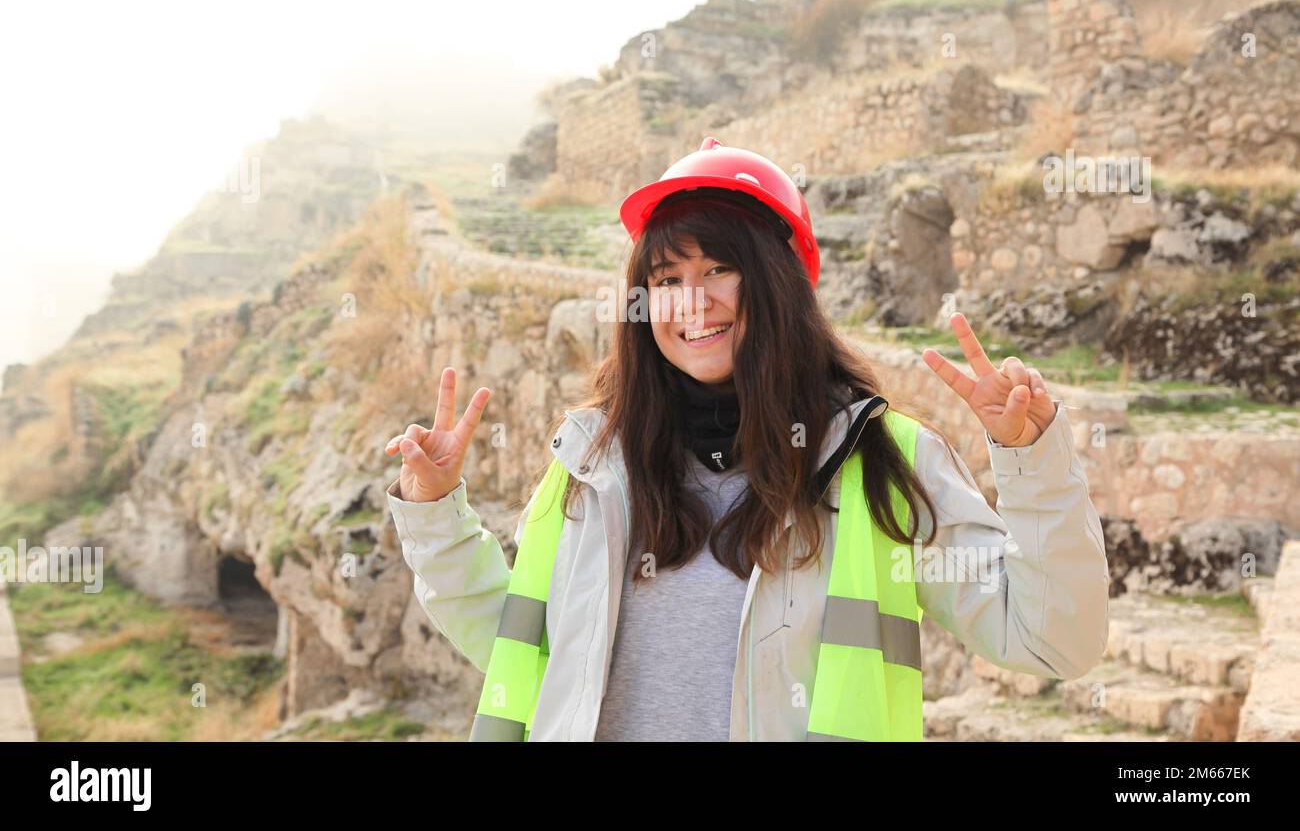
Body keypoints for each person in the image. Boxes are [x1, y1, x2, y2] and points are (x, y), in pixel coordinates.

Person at [384, 137, 1110, 741]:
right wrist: (437, 511)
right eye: (667, 277)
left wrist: (1032, 459)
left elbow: (1052, 640)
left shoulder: (881, 459)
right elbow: (517, 641)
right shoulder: (593, 462)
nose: (691, 301)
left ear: (778, 282)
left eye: (719, 269)